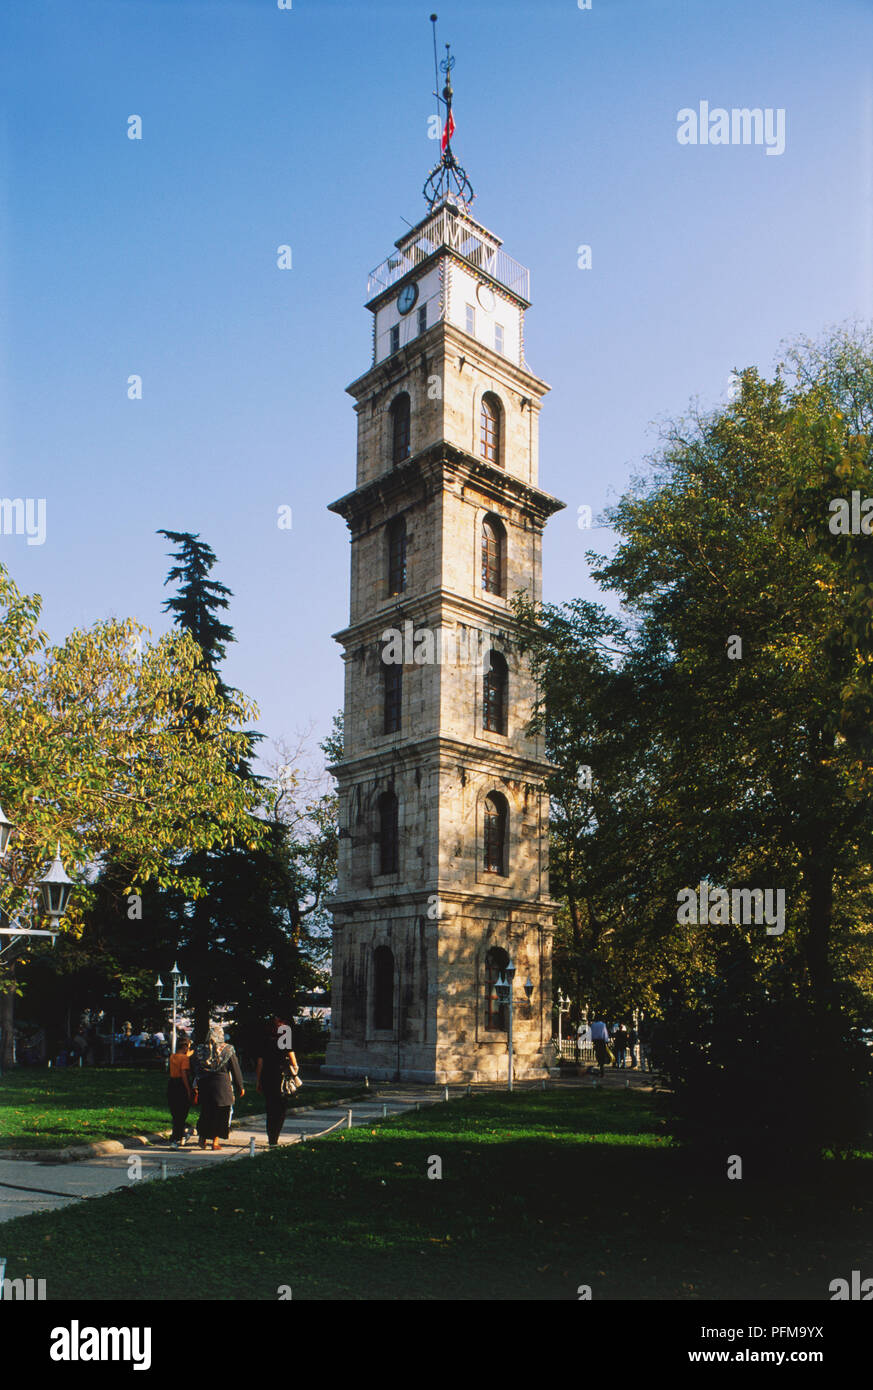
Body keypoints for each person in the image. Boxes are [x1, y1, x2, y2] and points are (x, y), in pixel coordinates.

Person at [191, 1022, 245, 1151]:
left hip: (205, 1084)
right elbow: (235, 1069)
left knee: (206, 1112)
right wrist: (240, 1086)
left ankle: (202, 1138)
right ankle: (215, 1142)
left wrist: (196, 1083)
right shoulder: (228, 1049)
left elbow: (194, 1067)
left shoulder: (200, 1049)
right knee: (220, 1114)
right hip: (222, 1086)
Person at [256, 1015, 300, 1147]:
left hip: (267, 1076)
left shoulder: (264, 1041)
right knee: (280, 1109)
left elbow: (260, 1063)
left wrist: (258, 1081)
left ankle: (271, 1137)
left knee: (270, 1108)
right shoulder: (284, 1040)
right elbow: (293, 1061)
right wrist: (295, 1072)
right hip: (281, 1078)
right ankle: (275, 1137)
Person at [167, 1032, 194, 1147]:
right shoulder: (184, 1059)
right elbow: (184, 1074)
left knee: (175, 1113)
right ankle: (176, 1137)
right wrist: (188, 1090)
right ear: (185, 1047)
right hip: (181, 1085)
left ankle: (181, 1134)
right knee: (182, 1113)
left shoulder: (172, 1056)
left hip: (172, 1083)